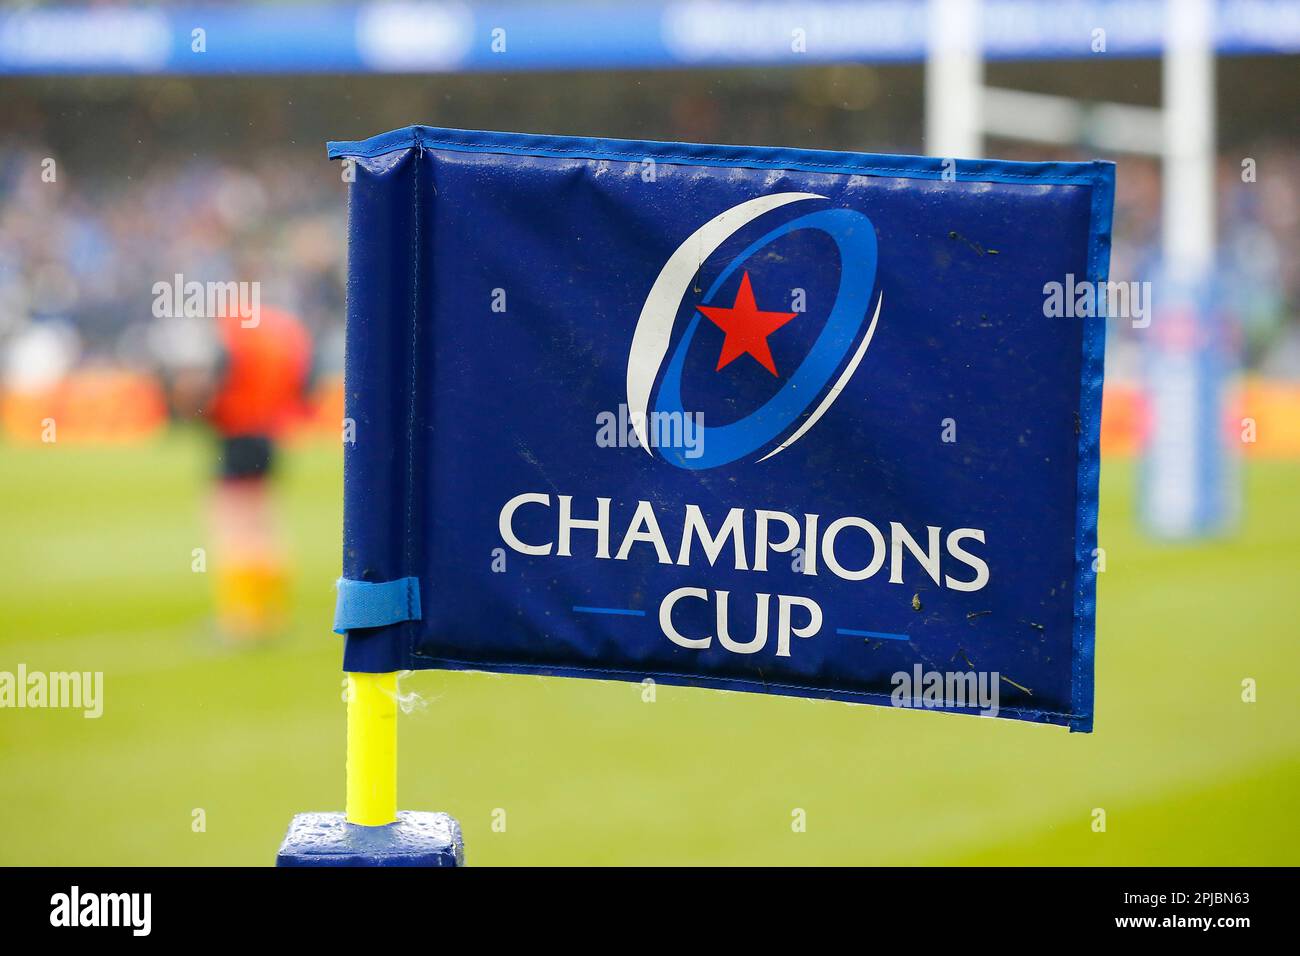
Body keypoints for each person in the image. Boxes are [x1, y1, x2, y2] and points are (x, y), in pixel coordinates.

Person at [156, 304, 313, 644]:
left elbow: (204, 388)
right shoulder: (280, 331)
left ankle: (242, 620)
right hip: (267, 434)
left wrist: (192, 408)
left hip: (237, 436)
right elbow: (300, 384)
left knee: (234, 528)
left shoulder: (232, 334)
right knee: (264, 527)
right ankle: (272, 615)